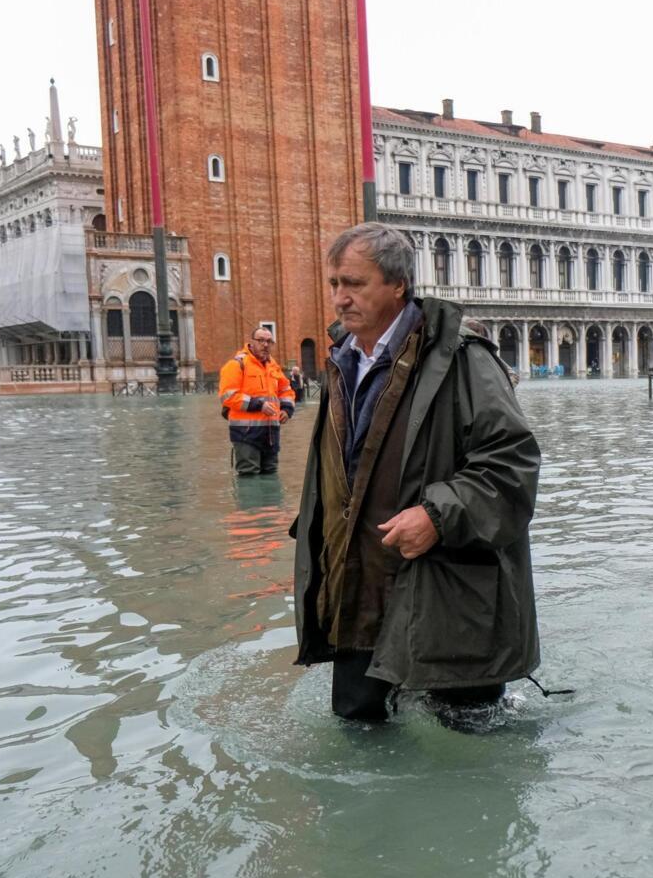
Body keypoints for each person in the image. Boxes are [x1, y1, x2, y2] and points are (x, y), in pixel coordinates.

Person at [290, 222, 542, 722]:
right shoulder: (342, 361)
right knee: (360, 735)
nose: (339, 299)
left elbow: (512, 464)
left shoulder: (464, 360)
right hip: (356, 590)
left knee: (466, 749)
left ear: (398, 284)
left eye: (354, 284)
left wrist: (437, 516)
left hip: (447, 596)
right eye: (334, 284)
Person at [218, 327, 295, 476]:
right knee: (249, 475)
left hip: (271, 434)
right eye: (261, 340)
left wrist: (286, 409)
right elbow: (228, 396)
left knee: (271, 474)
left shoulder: (273, 366)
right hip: (245, 434)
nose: (265, 345)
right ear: (251, 342)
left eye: (269, 341)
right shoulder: (236, 364)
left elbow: (286, 390)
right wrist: (259, 405)